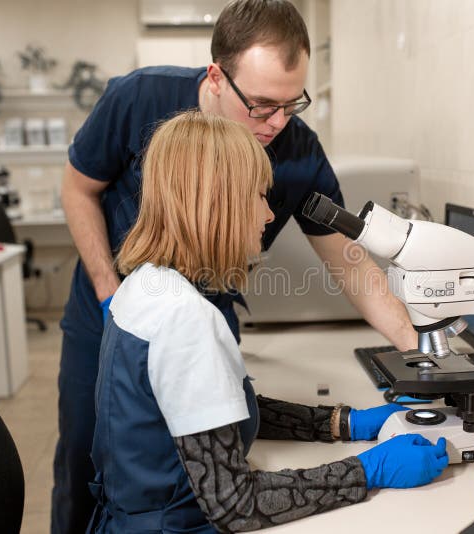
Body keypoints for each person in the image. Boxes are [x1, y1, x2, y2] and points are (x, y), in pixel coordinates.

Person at [54, 1, 419, 531]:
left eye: (292, 105)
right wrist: (368, 470)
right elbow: (233, 502)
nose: (279, 123)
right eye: (263, 105)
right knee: (81, 459)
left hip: (166, 304)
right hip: (112, 301)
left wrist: (400, 366)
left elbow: (351, 265)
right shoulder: (138, 99)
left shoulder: (298, 151)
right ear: (216, 78)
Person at [88, 110, 448, 533]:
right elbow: (235, 504)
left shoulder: (146, 284)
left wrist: (342, 423)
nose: (269, 215)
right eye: (260, 196)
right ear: (218, 204)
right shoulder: (185, 319)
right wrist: (367, 470)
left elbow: (212, 415)